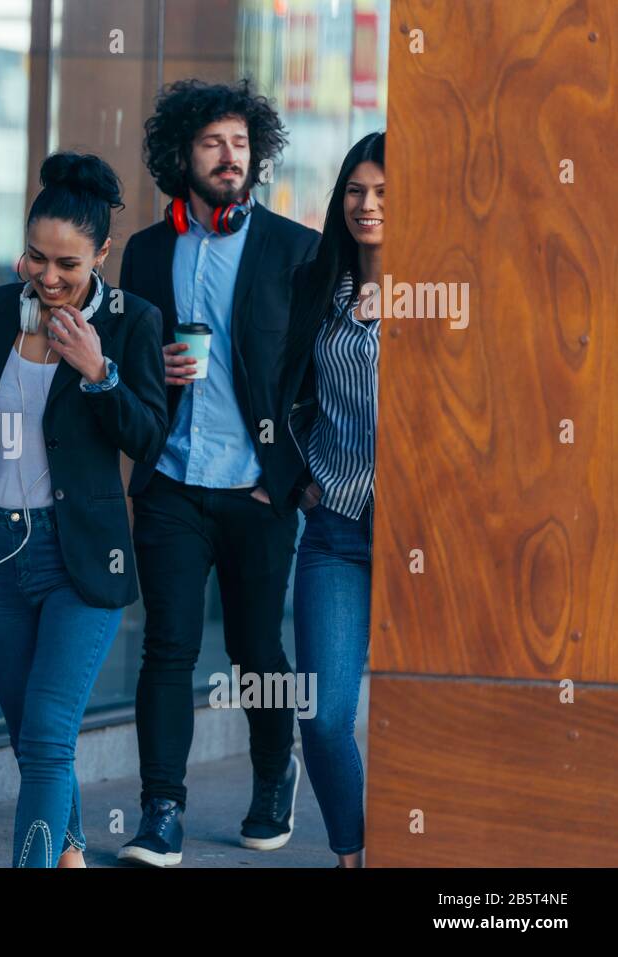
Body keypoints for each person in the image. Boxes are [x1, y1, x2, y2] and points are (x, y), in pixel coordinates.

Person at [0, 152, 168, 867]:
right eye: (36, 257)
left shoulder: (131, 322)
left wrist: (100, 372)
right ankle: (70, 850)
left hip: (81, 555)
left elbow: (148, 437)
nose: (49, 277)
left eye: (68, 264)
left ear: (102, 254)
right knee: (31, 731)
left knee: (49, 736)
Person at [117, 78, 319, 866]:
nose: (231, 156)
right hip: (171, 481)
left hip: (257, 488)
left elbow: (315, 377)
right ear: (182, 156)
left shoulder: (294, 249)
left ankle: (275, 774)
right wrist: (154, 373)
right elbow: (129, 369)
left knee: (254, 648)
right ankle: (160, 810)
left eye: (240, 143)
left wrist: (287, 476)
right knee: (166, 646)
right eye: (213, 143)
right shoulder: (146, 251)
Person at [283, 131, 385, 869]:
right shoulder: (319, 282)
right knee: (322, 717)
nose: (367, 204)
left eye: (384, 192)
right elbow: (282, 386)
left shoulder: (443, 287)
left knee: (439, 713)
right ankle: (352, 854)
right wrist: (297, 478)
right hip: (337, 527)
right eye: (355, 189)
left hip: (426, 536)